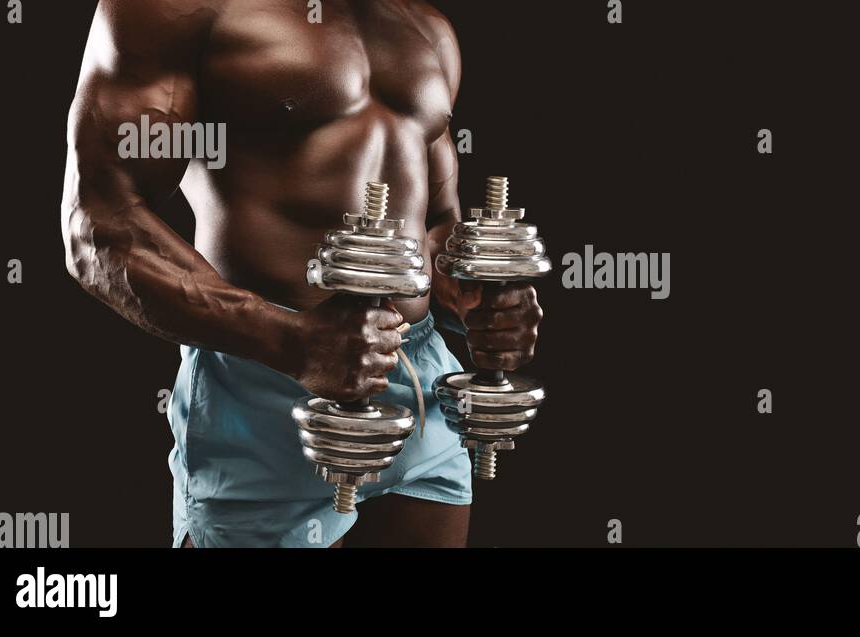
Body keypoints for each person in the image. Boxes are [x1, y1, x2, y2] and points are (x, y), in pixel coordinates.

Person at [61, 0, 542, 547]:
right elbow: (99, 223)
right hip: (267, 379)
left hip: (422, 377)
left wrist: (476, 300)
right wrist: (293, 343)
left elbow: (435, 222)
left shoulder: (424, 27)